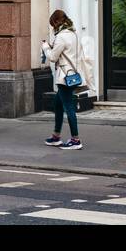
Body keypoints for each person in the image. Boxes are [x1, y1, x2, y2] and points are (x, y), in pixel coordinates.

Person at [41, 10, 85, 151]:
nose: (52, 27)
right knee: (58, 105)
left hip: (64, 77)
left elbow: (53, 57)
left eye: (52, 24)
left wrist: (46, 48)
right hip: (72, 75)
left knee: (69, 108)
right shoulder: (74, 34)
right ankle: (56, 137)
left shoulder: (61, 37)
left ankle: (75, 140)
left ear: (56, 22)